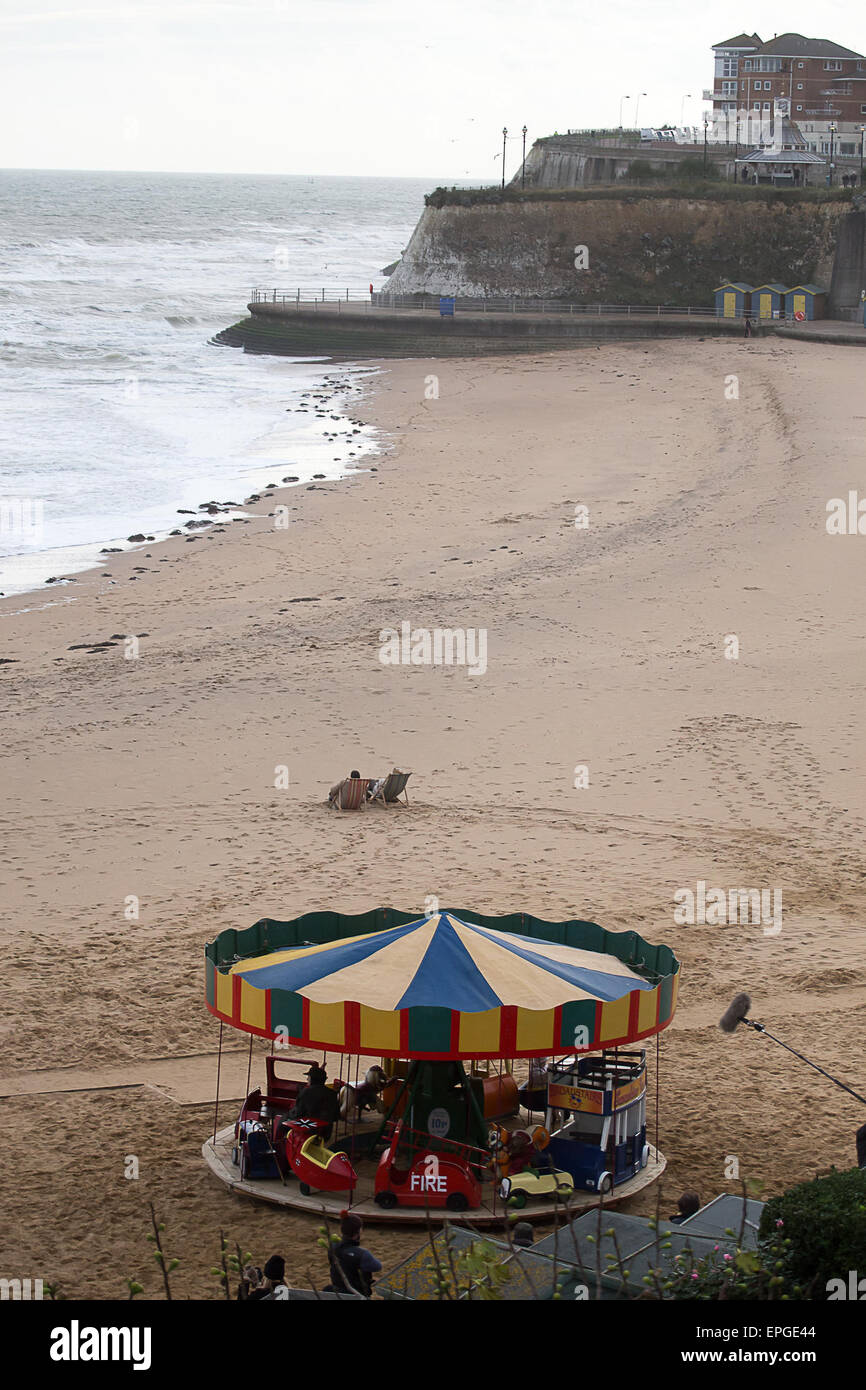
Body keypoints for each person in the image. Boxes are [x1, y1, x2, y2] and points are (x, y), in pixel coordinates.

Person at [325, 1212, 382, 1297]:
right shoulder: (362, 1254)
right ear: (358, 1232)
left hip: (338, 1290)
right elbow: (377, 1266)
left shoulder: (332, 1245)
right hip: (356, 1294)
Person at [289, 1064, 341, 1139]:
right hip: (326, 1132)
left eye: (308, 1077)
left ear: (312, 1079)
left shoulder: (305, 1092)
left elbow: (298, 1114)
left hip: (308, 1132)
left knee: (283, 1121)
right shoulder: (332, 1093)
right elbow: (336, 1116)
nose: (307, 1079)